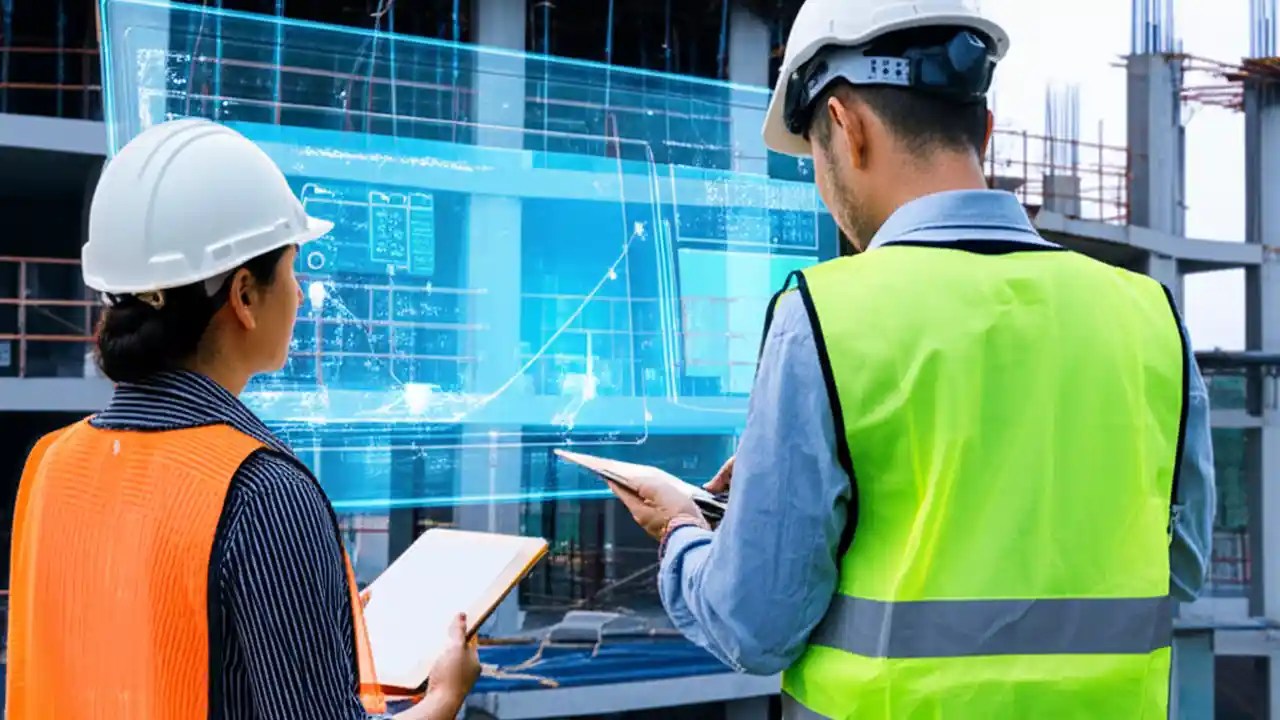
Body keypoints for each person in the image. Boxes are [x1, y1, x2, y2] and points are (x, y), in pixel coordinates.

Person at [606, 1, 1216, 717]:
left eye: (815, 160)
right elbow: (1180, 569)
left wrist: (681, 530)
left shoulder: (824, 314)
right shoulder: (1146, 315)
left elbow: (754, 627)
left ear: (846, 126)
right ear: (984, 129)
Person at [6, 118, 480, 720]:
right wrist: (444, 696)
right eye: (292, 268)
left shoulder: (51, 465)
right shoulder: (264, 494)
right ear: (244, 296)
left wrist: (311, 618)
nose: (300, 293)